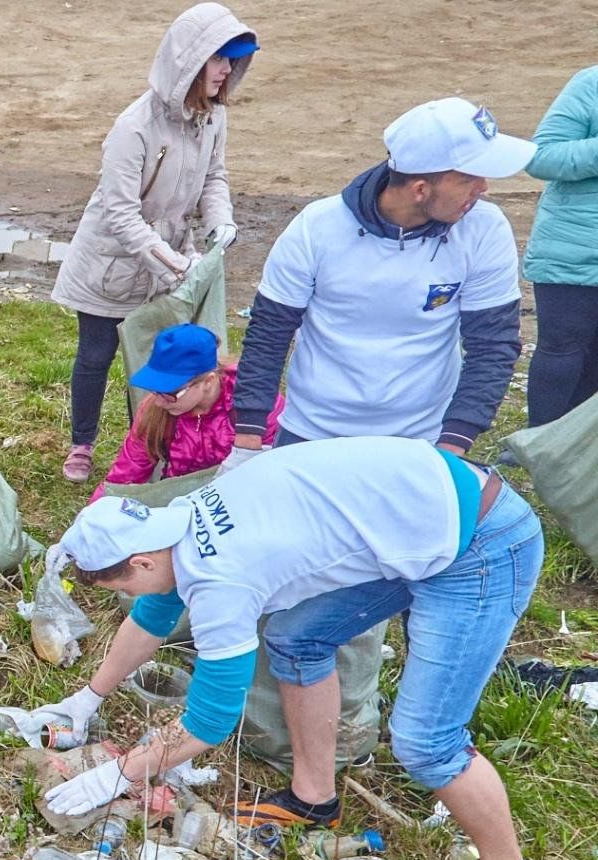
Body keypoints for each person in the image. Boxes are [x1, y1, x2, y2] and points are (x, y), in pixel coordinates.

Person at [33, 437, 544, 860]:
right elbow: (152, 614)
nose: (130, 592)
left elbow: (209, 722)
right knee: (297, 639)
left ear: (142, 561)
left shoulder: (221, 583)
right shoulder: (179, 518)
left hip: (482, 542)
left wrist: (120, 774)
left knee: (426, 741)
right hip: (418, 513)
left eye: (122, 582)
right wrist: (88, 697)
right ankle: (315, 798)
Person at [226, 97, 533, 463]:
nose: (483, 187)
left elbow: (493, 344)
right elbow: (269, 332)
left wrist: (454, 442)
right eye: (469, 178)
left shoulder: (485, 228)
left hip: (423, 439)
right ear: (420, 189)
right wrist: (247, 438)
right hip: (312, 433)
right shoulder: (316, 228)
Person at [51, 3, 257, 483]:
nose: (227, 69)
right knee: (97, 352)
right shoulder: (133, 128)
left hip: (171, 255)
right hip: (113, 261)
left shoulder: (213, 118)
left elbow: (215, 177)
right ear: (190, 61)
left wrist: (220, 220)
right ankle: (82, 444)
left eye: (233, 60)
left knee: (156, 353)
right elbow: (120, 212)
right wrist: (172, 264)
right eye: (219, 58)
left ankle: (148, 440)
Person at [91, 323, 281, 499]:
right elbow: (124, 477)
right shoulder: (156, 409)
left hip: (242, 500)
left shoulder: (257, 407)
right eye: (154, 388)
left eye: (170, 392)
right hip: (180, 501)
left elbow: (274, 476)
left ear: (208, 381)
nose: (158, 402)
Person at [522, 66, 598, 427]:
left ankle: (578, 450)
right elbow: (541, 157)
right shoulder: (591, 84)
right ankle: (539, 442)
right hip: (575, 248)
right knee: (563, 349)